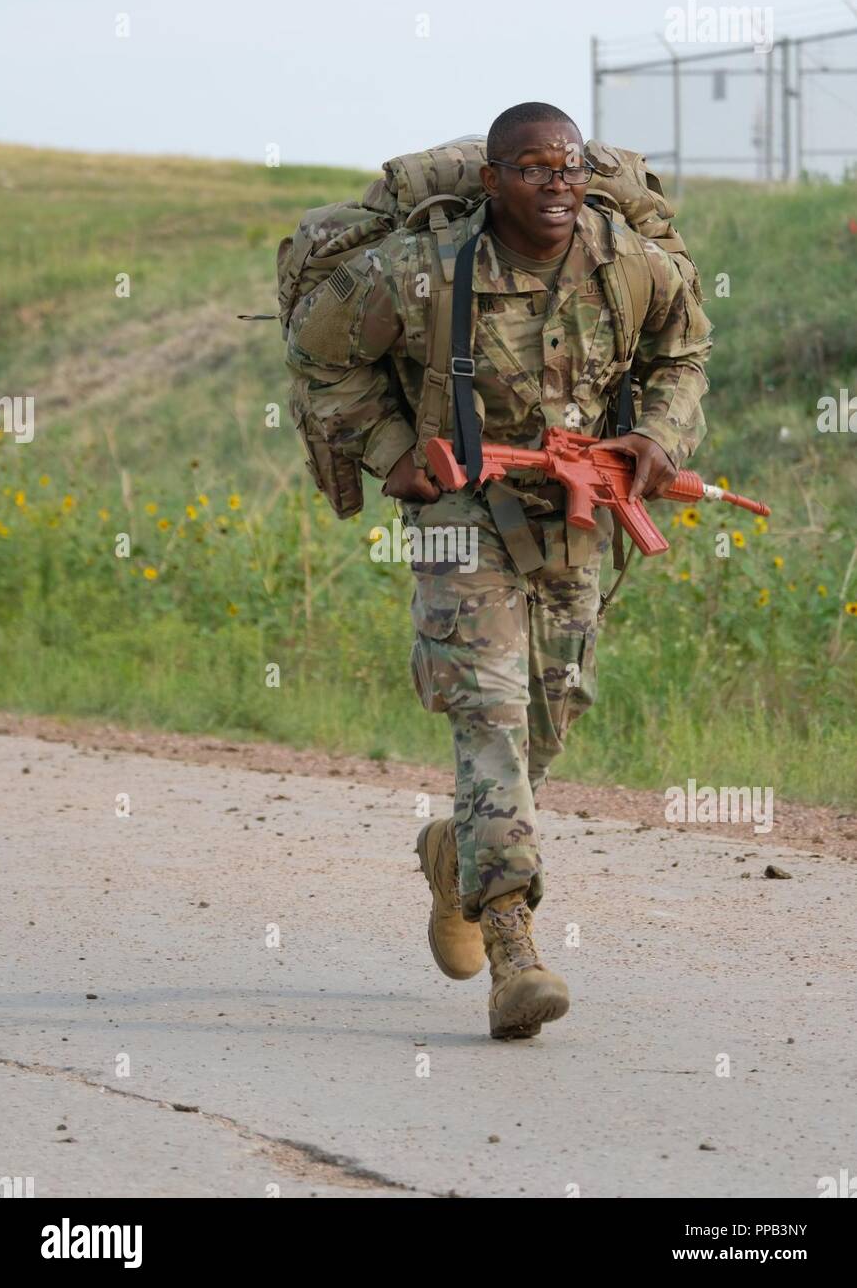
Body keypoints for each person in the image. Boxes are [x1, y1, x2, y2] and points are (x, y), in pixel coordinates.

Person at [287, 102, 712, 1039]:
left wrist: (655, 436)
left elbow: (683, 353)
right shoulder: (420, 271)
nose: (554, 186)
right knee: (489, 710)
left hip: (575, 511)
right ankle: (514, 940)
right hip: (456, 513)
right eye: (530, 169)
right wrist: (394, 449)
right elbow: (319, 355)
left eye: (567, 169)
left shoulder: (628, 264)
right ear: (492, 182)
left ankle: (459, 853)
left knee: (551, 715)